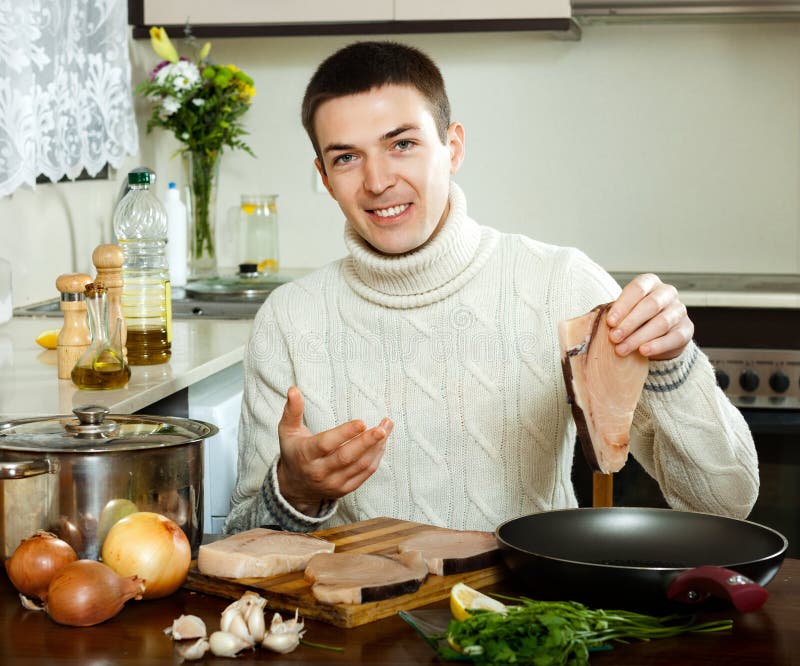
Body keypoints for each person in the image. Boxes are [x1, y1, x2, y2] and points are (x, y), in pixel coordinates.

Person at [224, 41, 758, 535]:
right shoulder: (289, 318)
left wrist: (672, 366)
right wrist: (294, 493)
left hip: (533, 619)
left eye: (403, 144)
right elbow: (241, 543)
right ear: (324, 176)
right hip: (361, 631)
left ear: (452, 147)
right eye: (347, 157)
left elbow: (726, 504)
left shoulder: (560, 285)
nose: (378, 181)